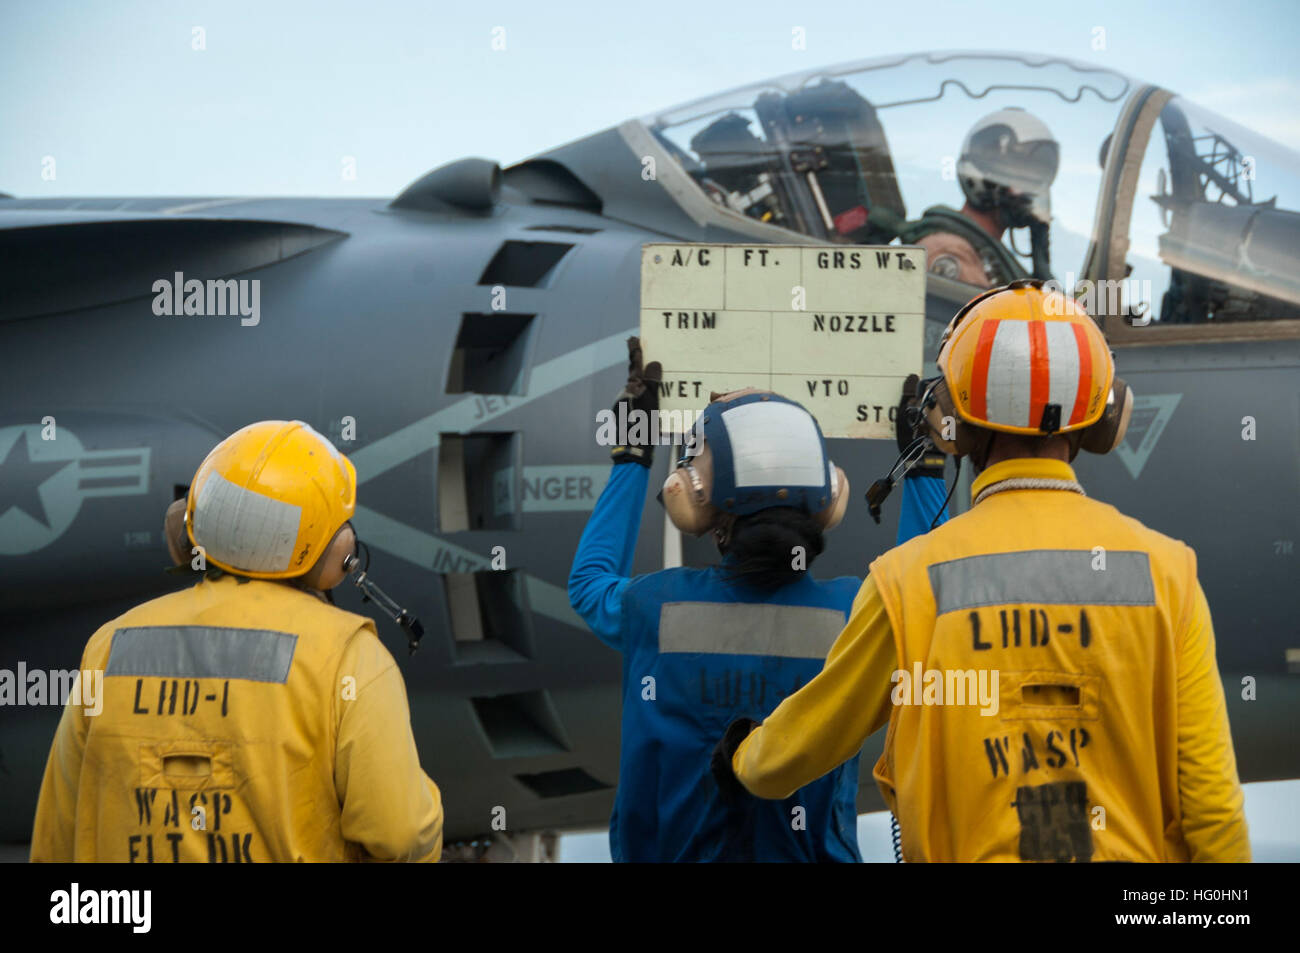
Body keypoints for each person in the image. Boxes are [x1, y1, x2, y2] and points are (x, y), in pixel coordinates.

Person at [714, 280, 1251, 862]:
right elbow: (1213, 807)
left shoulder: (907, 581)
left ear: (952, 424)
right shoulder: (1168, 573)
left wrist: (745, 759)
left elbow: (805, 743)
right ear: (1103, 419)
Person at [567, 339, 946, 862]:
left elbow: (589, 581)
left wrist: (632, 453)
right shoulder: (855, 614)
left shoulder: (654, 608)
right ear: (825, 500)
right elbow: (925, 592)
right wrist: (922, 464)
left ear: (696, 501)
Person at [30, 420, 443, 863]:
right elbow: (401, 835)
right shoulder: (350, 659)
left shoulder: (110, 648)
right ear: (339, 553)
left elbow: (57, 834)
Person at [904, 108, 1059, 287]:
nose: (1031, 192)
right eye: (1021, 177)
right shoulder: (949, 250)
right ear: (986, 177)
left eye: (1036, 180)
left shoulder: (986, 254)